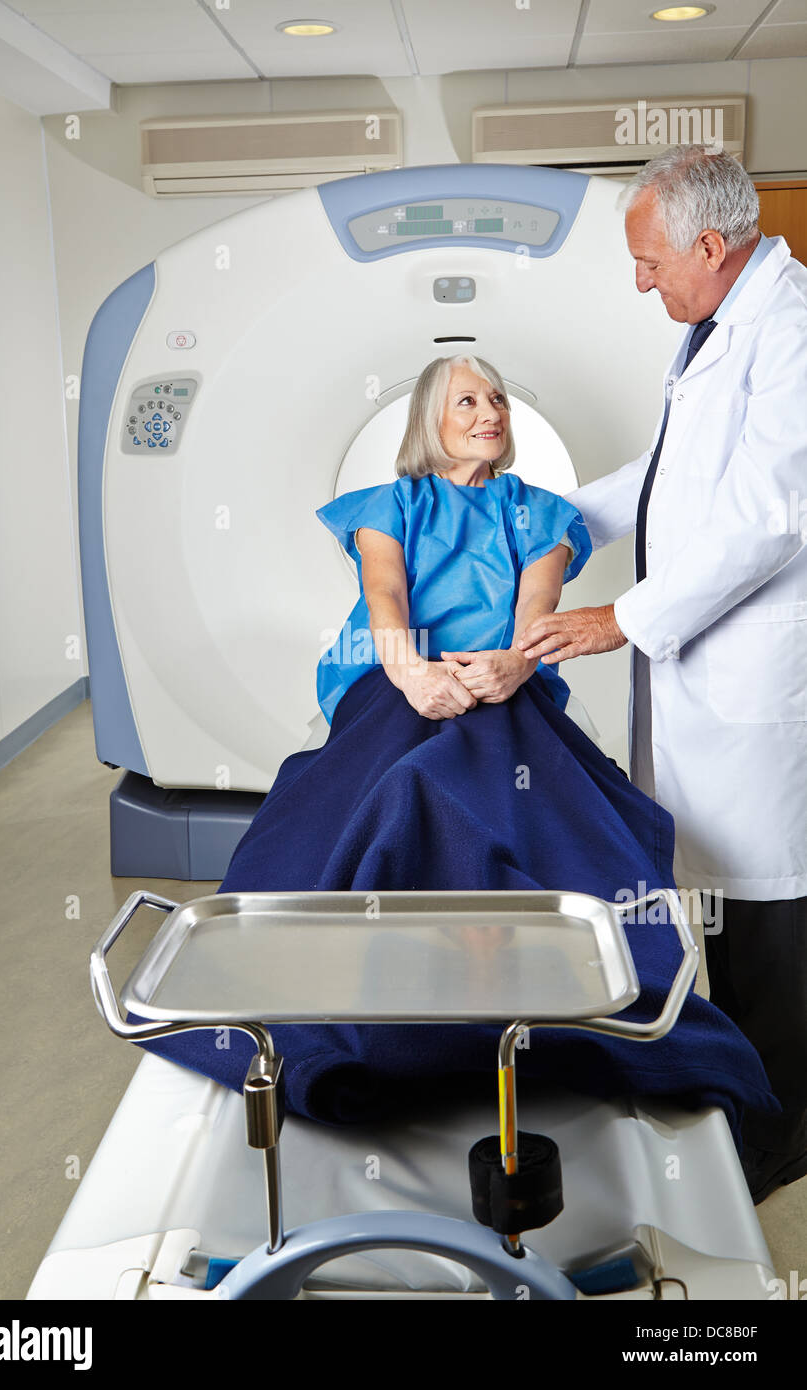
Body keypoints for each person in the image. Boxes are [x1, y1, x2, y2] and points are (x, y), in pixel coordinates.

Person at [133, 352, 777, 1146]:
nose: (490, 411)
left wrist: (512, 666)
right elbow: (386, 596)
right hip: (394, 674)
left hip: (501, 681)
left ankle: (520, 967)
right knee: (398, 776)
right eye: (468, 399)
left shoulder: (543, 515)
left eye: (498, 398)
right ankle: (355, 966)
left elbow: (538, 607)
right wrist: (409, 672)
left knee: (491, 777)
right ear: (429, 424)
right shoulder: (386, 505)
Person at [516, 144, 807, 1204]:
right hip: (700, 681)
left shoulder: (788, 330)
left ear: (708, 245)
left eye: (648, 262)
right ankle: (740, 1096)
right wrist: (549, 519)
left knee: (770, 927)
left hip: (751, 683)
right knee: (718, 913)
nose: (642, 281)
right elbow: (665, 474)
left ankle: (778, 1141)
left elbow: (765, 514)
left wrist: (620, 621)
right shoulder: (711, 330)